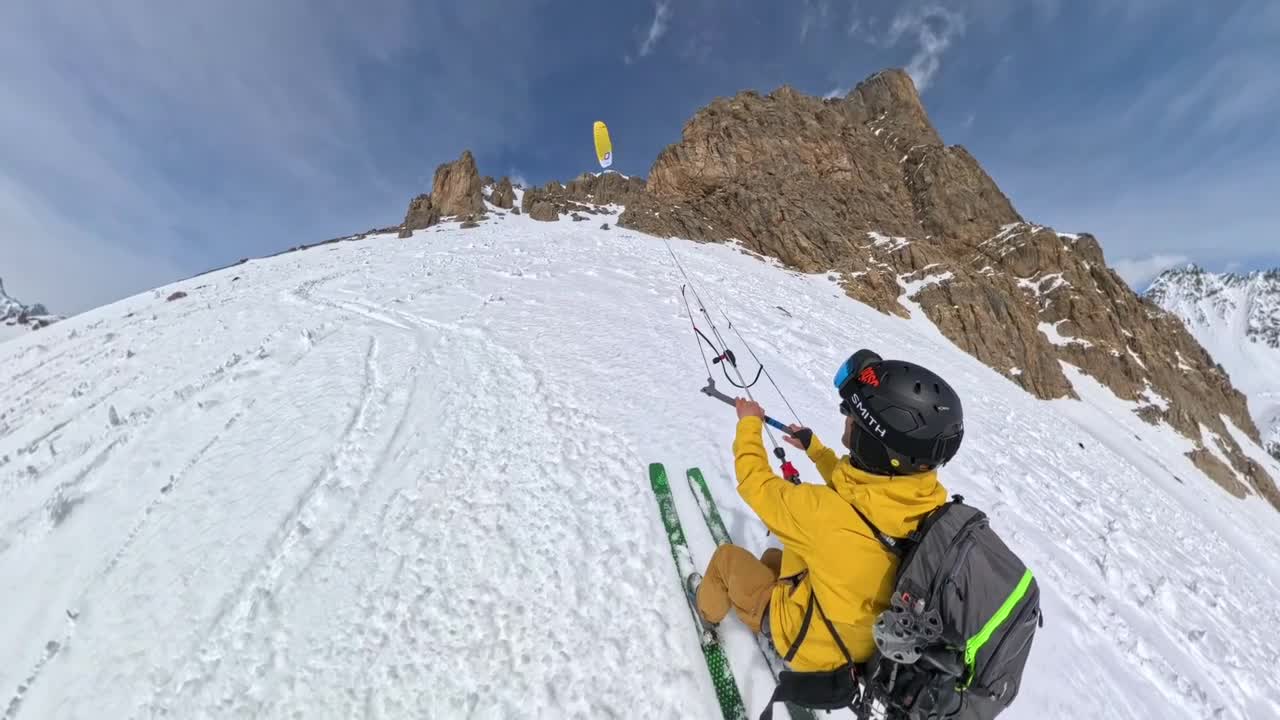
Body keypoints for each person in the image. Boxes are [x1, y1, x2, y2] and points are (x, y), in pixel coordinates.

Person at [694, 349, 965, 672]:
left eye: (852, 416)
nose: (846, 419)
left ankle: (706, 613)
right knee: (773, 562)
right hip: (863, 640)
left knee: (727, 560)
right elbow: (861, 492)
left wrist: (749, 424)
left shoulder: (822, 514)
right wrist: (816, 450)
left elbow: (756, 484)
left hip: (812, 642)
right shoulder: (928, 502)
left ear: (875, 443)